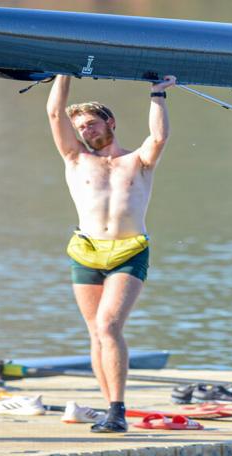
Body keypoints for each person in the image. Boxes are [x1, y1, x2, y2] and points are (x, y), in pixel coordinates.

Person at [47, 72, 175, 433]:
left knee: (109, 325)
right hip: (86, 250)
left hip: (128, 251)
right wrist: (63, 71)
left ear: (110, 123)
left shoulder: (138, 161)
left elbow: (159, 136)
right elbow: (54, 113)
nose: (86, 131)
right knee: (95, 331)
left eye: (91, 124)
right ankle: (109, 409)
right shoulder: (75, 158)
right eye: (81, 127)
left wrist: (157, 93)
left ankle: (118, 409)